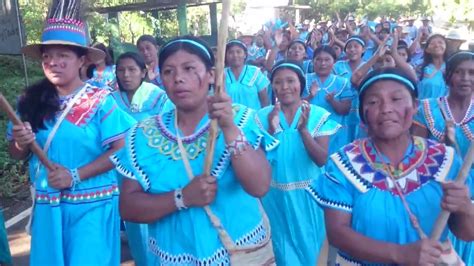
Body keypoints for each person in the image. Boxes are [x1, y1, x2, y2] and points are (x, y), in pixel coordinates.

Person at [111, 36, 275, 265]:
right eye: (168, 71)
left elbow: (259, 186)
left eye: (189, 68)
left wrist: (228, 127)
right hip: (175, 255)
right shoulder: (142, 135)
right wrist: (181, 198)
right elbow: (128, 208)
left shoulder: (241, 119)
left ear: (211, 75)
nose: (178, 78)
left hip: (240, 253)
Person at [7, 2, 134, 264]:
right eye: (47, 57)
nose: (53, 62)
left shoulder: (100, 101)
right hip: (48, 205)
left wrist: (74, 175)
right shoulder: (29, 101)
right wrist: (21, 144)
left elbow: (121, 150)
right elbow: (17, 154)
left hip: (93, 207)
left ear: (82, 60)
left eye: (63, 55)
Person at [309, 68, 474, 265]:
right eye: (373, 102)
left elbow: (466, 232)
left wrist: (464, 207)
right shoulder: (344, 164)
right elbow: (338, 233)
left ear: (414, 107)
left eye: (396, 99)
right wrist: (400, 254)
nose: (386, 108)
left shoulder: (445, 160)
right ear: (363, 115)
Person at [256, 60, 340, 265]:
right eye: (278, 82)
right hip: (273, 197)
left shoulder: (317, 115)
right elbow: (256, 158)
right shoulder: (262, 116)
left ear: (301, 84)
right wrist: (270, 129)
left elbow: (321, 159)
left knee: (310, 250)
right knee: (281, 249)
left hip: (308, 197)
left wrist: (304, 131)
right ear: (272, 86)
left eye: (290, 81)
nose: (284, 87)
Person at [412, 51, 474, 264]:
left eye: (472, 73)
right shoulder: (428, 107)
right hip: (436, 186)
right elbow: (416, 151)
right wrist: (443, 148)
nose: (466, 78)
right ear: (448, 77)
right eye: (459, 72)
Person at [304, 46, 352, 153]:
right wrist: (310, 96)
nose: (323, 63)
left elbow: (345, 110)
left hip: (335, 134)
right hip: (308, 131)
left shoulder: (342, 82)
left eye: (327, 60)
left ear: (334, 62)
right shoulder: (303, 79)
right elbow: (294, 106)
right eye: (318, 60)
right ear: (313, 61)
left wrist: (332, 101)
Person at [113, 52, 173, 121]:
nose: (126, 74)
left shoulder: (159, 98)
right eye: (121, 70)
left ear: (143, 73)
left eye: (132, 69)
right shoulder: (111, 100)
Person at [225, 39, 270, 109]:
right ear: (226, 56)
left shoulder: (255, 73)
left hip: (253, 119)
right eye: (230, 52)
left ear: (245, 55)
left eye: (238, 52)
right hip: (227, 119)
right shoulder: (221, 75)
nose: (235, 55)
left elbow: (264, 101)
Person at [418, 34, 448, 99]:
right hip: (424, 107)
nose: (437, 45)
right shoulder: (420, 69)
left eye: (440, 42)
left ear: (446, 47)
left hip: (446, 108)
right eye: (432, 43)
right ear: (427, 50)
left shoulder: (452, 68)